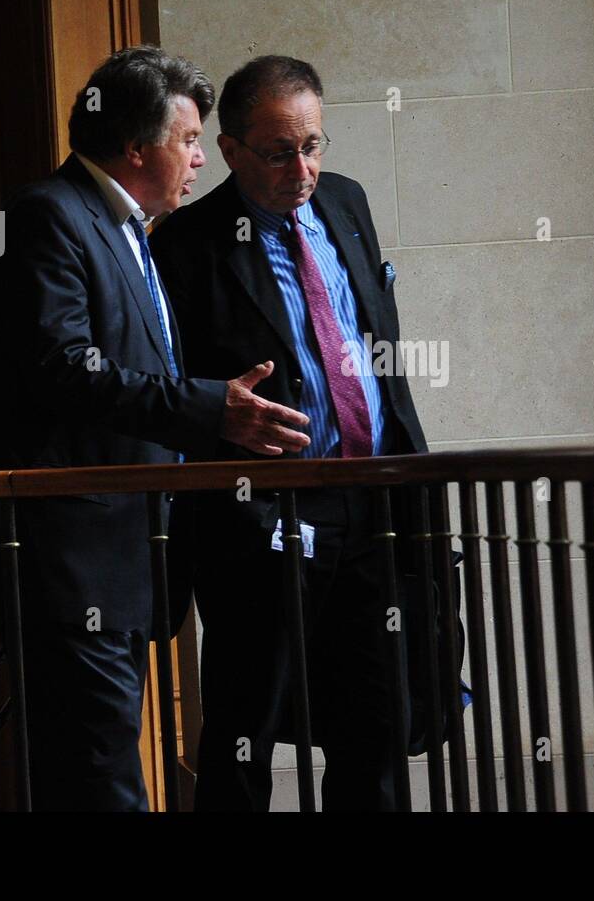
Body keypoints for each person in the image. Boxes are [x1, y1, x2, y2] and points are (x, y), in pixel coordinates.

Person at [0, 46, 310, 810]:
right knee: (100, 781)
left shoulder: (126, 228)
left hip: (117, 559)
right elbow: (65, 368)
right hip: (69, 557)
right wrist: (212, 407)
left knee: (97, 768)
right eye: (187, 141)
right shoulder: (48, 215)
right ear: (136, 147)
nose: (196, 160)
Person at [152, 55, 430, 811]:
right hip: (263, 520)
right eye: (278, 151)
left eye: (312, 145)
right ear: (232, 149)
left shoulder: (347, 203)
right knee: (246, 728)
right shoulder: (184, 245)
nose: (301, 168)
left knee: (374, 726)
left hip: (371, 509)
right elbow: (169, 391)